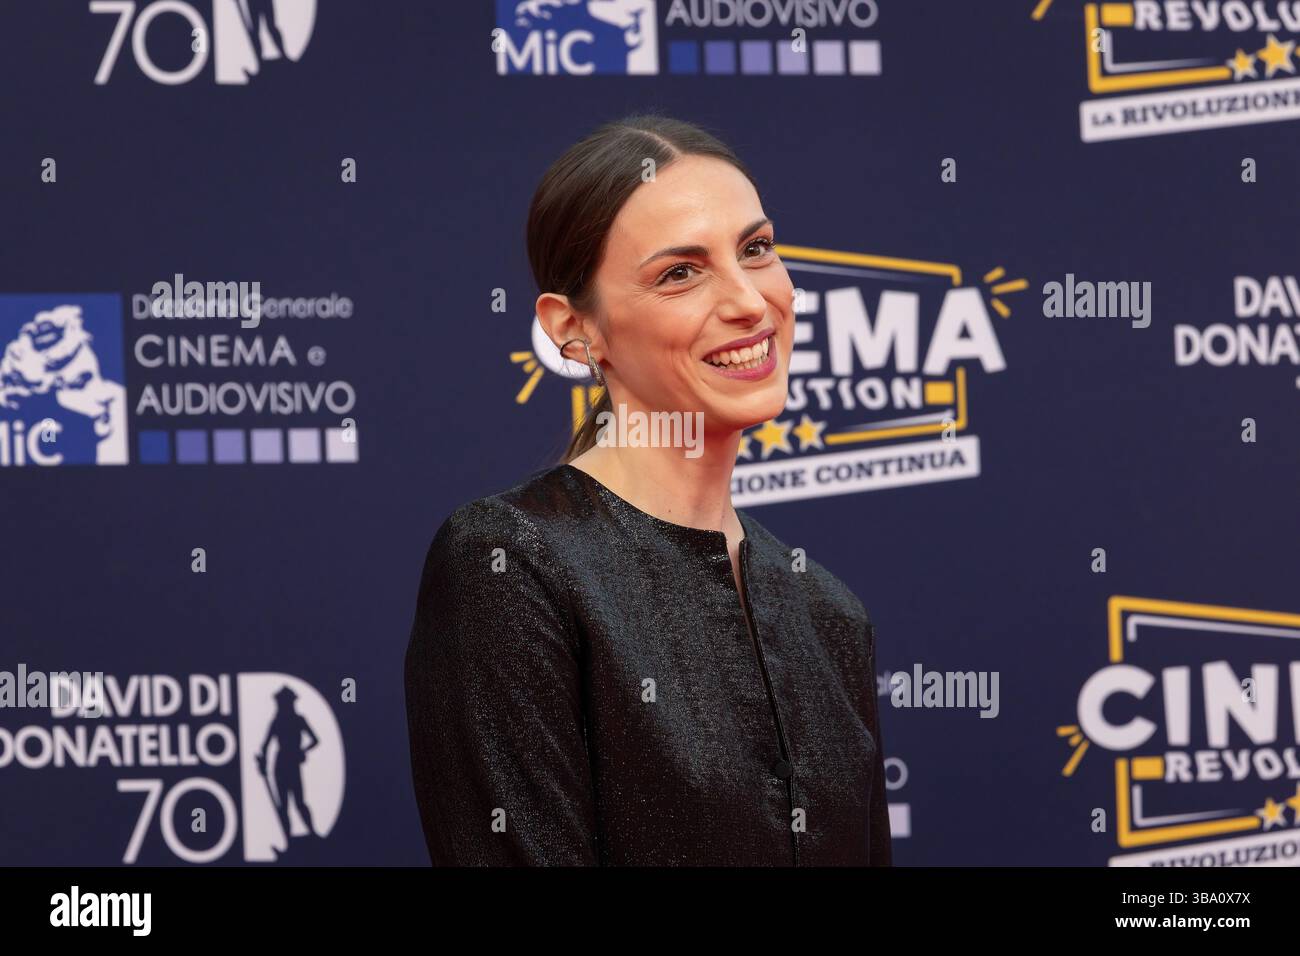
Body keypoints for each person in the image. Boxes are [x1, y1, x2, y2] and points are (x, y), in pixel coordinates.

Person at [404, 114, 891, 866]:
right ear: (575, 331)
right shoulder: (510, 564)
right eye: (680, 273)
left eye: (756, 250)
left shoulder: (826, 611)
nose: (750, 303)